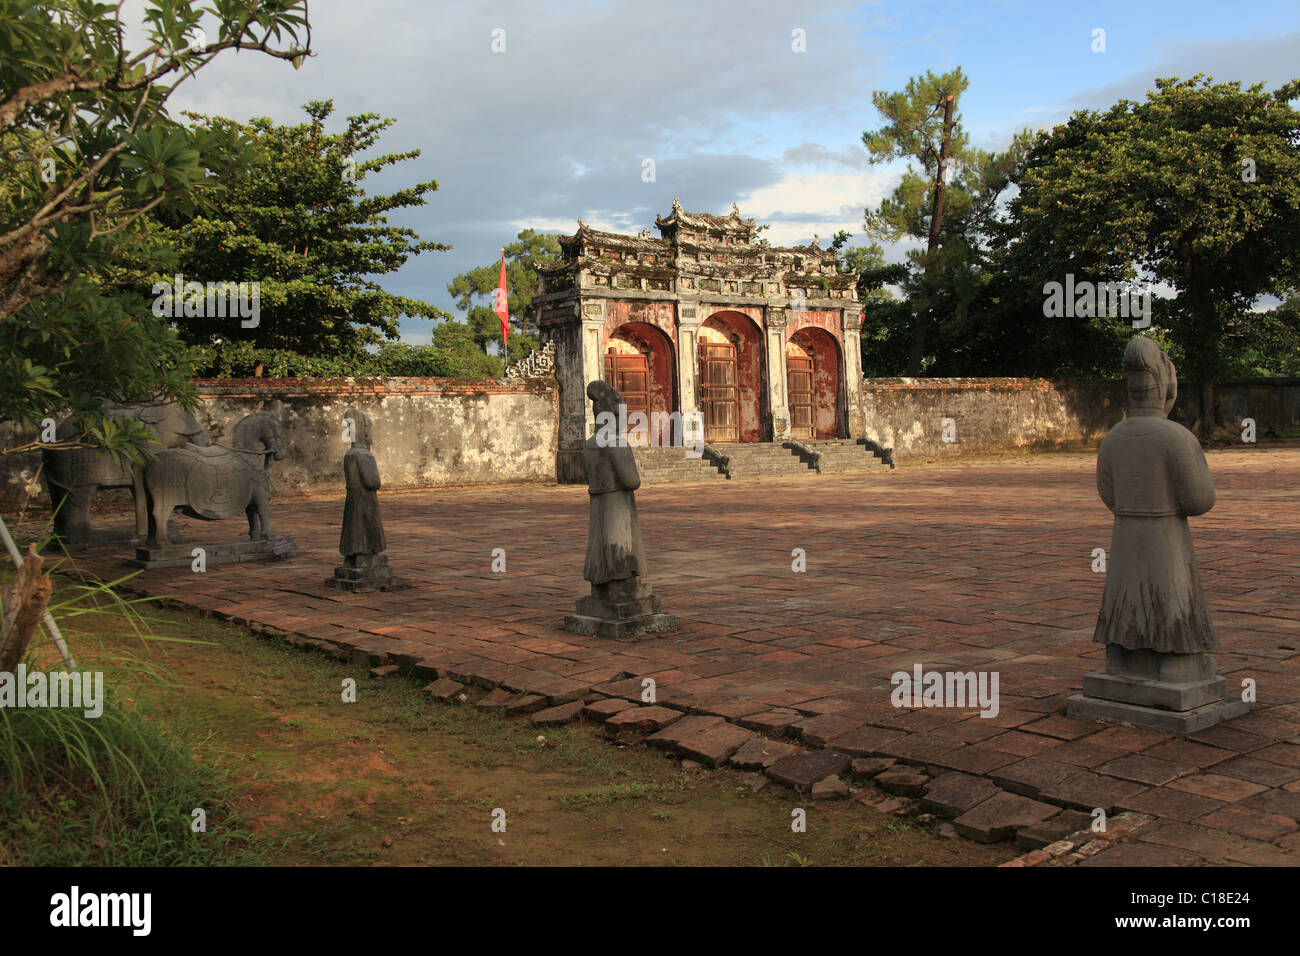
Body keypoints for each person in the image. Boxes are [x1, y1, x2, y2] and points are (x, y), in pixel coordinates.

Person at [1093, 336, 1217, 657]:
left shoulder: (1112, 439)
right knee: (1168, 602)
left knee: (1125, 602)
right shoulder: (1177, 438)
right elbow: (1199, 499)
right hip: (1166, 540)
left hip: (1125, 535)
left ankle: (1122, 659)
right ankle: (1172, 659)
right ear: (1167, 390)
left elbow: (1109, 493)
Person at [582, 380, 649, 589]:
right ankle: (621, 581)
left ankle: (600, 579)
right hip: (617, 503)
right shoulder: (616, 442)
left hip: (598, 500)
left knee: (599, 543)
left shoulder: (589, 444)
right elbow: (632, 481)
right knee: (619, 542)